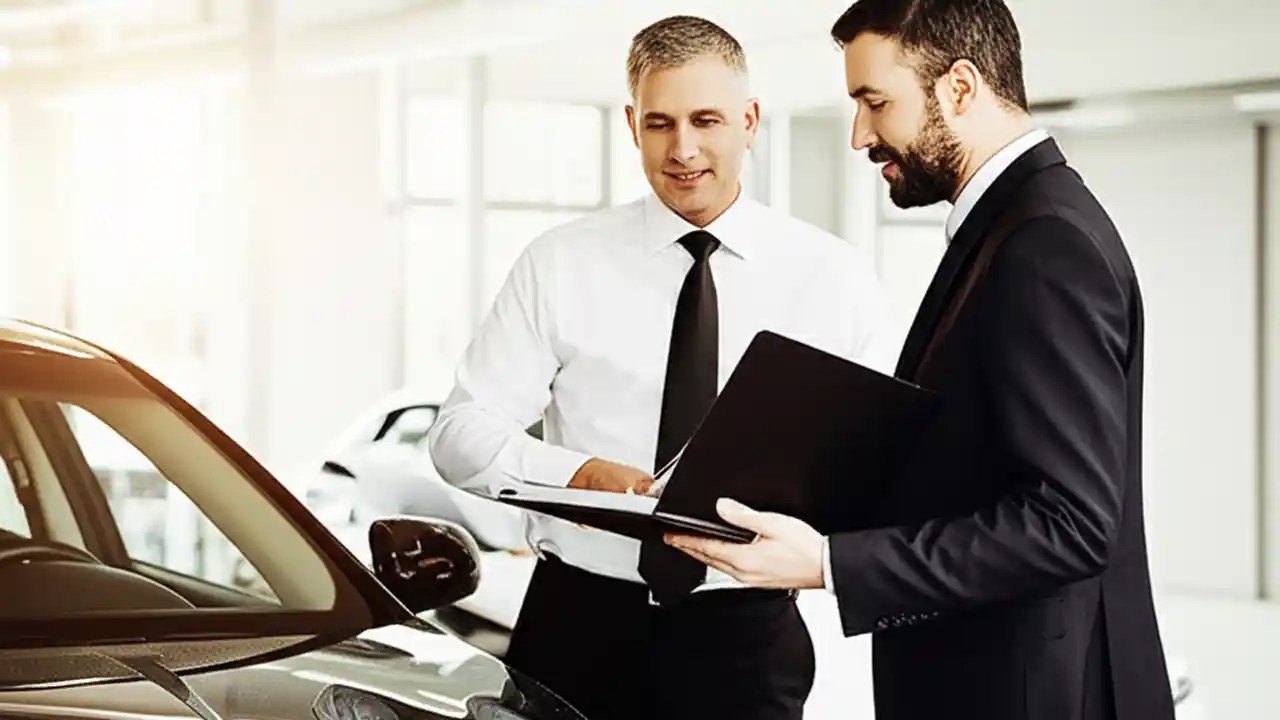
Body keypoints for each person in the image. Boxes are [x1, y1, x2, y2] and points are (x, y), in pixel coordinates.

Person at [666, 2, 1176, 719]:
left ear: (960, 88)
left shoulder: (1044, 242)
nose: (860, 135)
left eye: (875, 102)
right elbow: (974, 466)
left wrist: (828, 564)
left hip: (1031, 692)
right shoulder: (1009, 227)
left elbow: (1069, 523)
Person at [426, 14, 895, 720]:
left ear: (750, 121)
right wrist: (579, 475)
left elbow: (878, 464)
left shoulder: (834, 277)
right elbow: (458, 435)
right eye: (659, 124)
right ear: (630, 124)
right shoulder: (561, 262)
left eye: (706, 120)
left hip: (745, 636)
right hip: (575, 624)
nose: (683, 150)